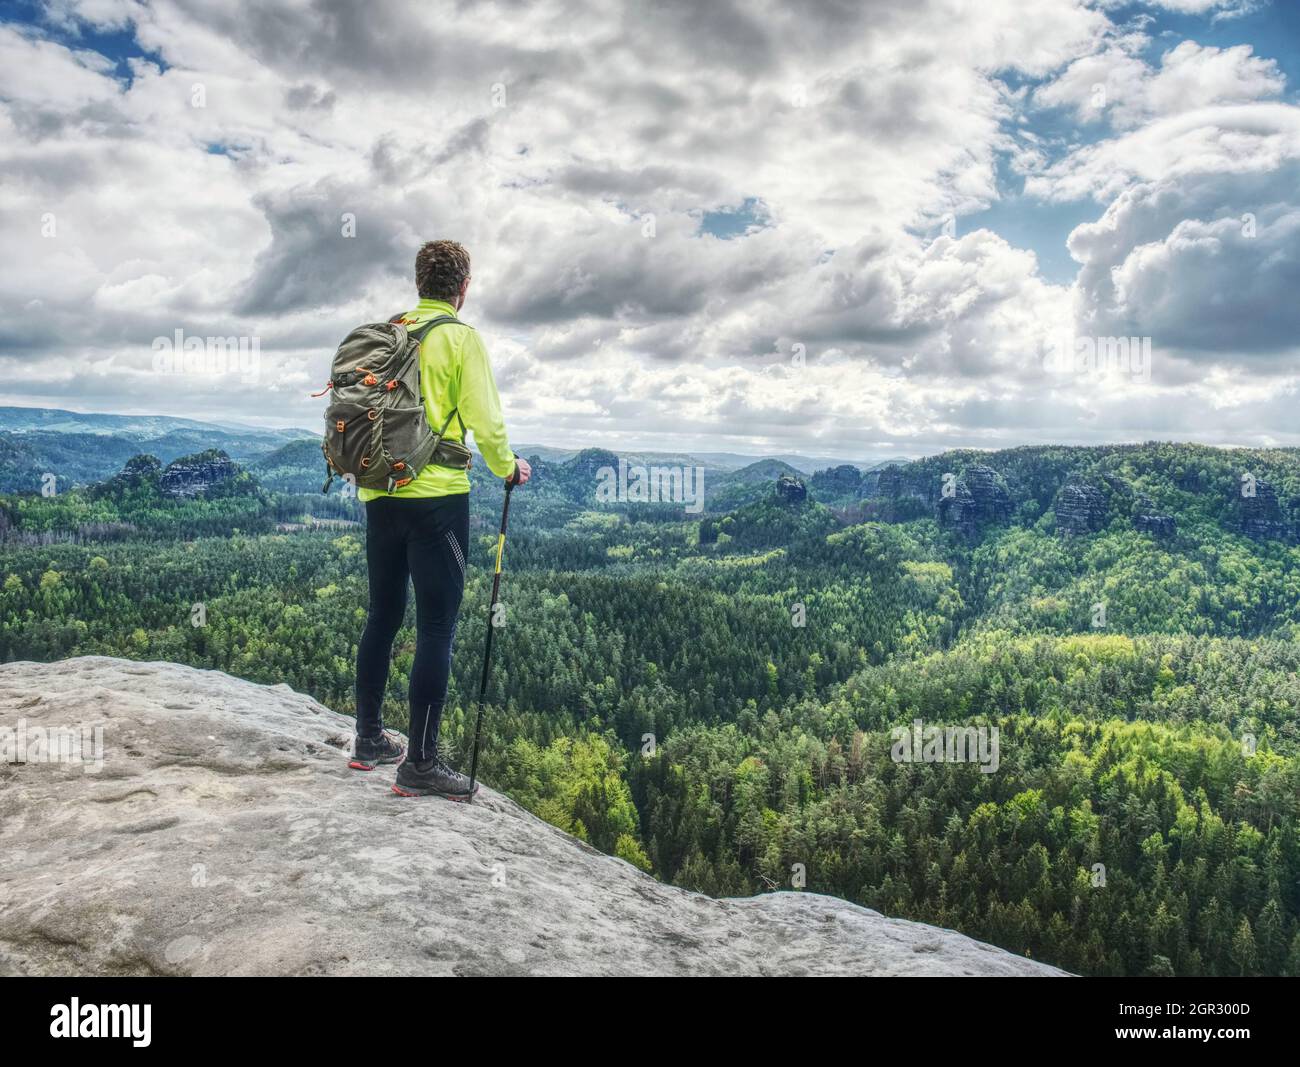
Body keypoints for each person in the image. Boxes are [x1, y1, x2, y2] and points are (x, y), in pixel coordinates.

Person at [349, 239, 530, 798]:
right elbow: (486, 422)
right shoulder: (460, 338)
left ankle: (369, 740)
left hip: (379, 492)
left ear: (419, 282)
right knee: (436, 627)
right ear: (463, 288)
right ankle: (421, 765)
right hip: (438, 498)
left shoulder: (391, 332)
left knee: (383, 615)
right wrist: (508, 468)